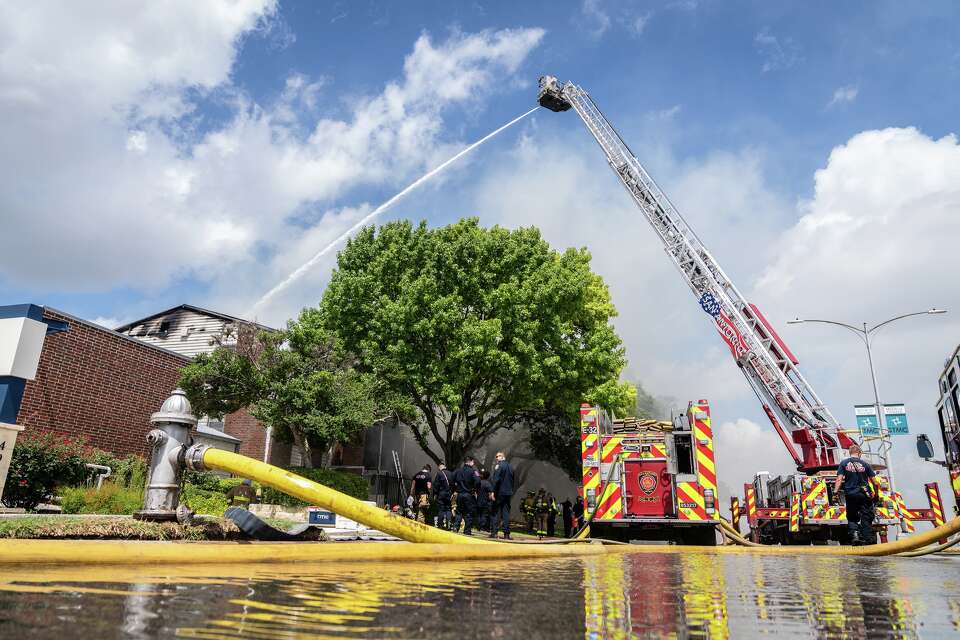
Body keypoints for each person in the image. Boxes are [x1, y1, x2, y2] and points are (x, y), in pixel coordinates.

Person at [833, 443, 878, 545]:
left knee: (852, 516)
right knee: (866, 516)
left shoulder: (844, 463)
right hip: (864, 494)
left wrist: (835, 493)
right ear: (859, 453)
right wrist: (876, 494)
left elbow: (839, 479)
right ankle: (867, 539)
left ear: (850, 453)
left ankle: (855, 536)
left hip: (850, 494)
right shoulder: (866, 465)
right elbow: (875, 482)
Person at [490, 451, 515, 539]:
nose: (496, 458)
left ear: (502, 457)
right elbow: (512, 480)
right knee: (506, 513)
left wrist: (492, 491)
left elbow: (496, 480)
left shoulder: (499, 466)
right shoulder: (511, 467)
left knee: (495, 512)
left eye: (498, 456)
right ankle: (506, 534)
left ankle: (494, 533)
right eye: (496, 456)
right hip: (508, 493)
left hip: (499, 492)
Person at [454, 456, 480, 535]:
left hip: (460, 494)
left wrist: (456, 488)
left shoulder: (458, 470)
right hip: (468, 494)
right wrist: (474, 489)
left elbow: (452, 479)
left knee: (459, 512)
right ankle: (467, 531)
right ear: (471, 461)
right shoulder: (473, 471)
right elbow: (478, 481)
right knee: (468, 513)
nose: (474, 463)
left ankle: (456, 527)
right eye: (473, 462)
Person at [433, 462, 454, 530]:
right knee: (448, 509)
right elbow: (453, 484)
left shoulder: (439, 473)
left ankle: (440, 525)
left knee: (441, 510)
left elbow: (436, 485)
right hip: (449, 494)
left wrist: (435, 494)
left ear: (440, 467)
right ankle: (449, 525)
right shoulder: (451, 473)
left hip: (441, 494)